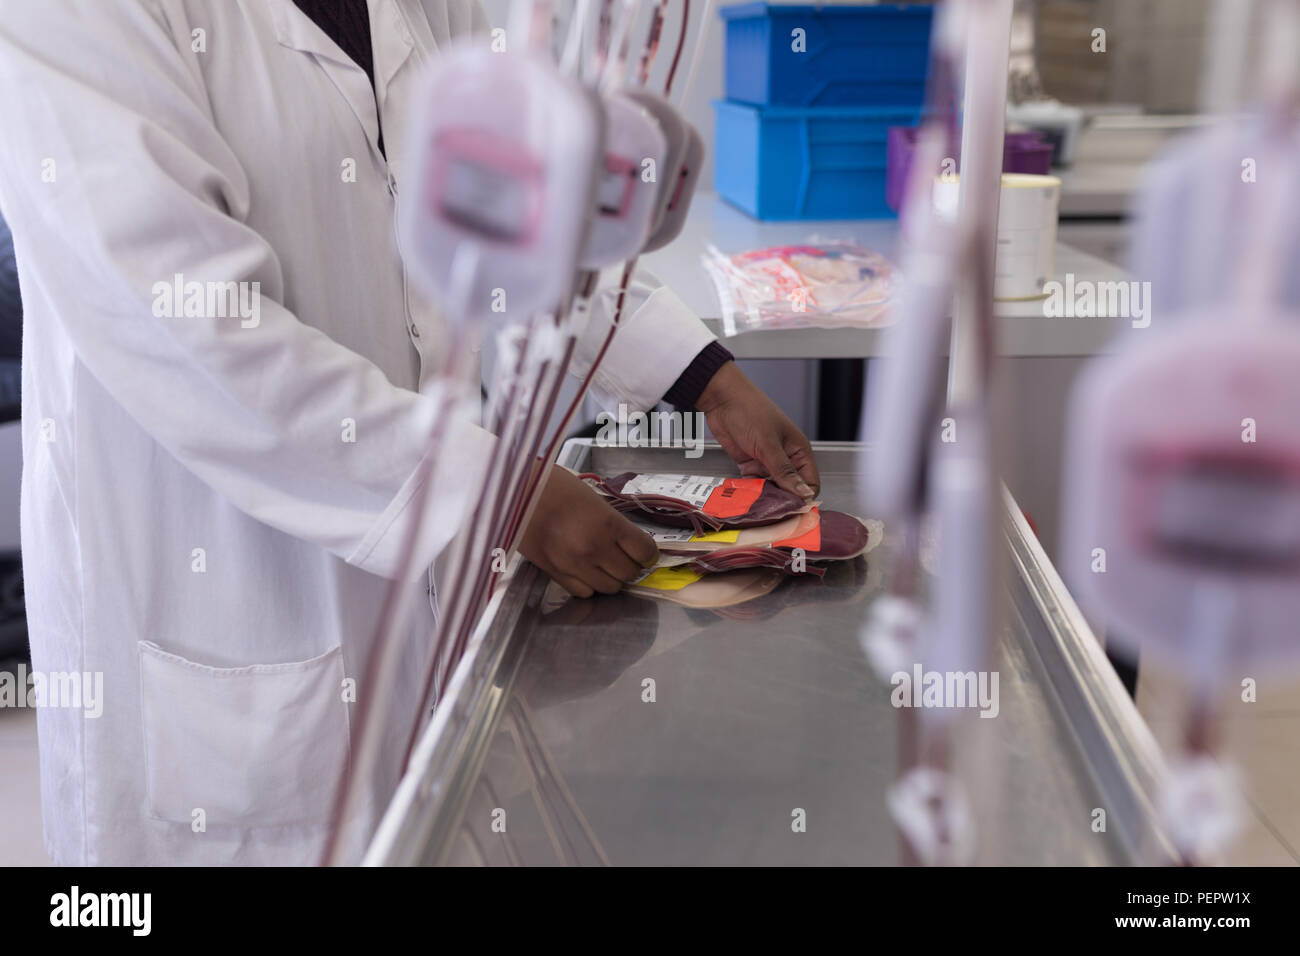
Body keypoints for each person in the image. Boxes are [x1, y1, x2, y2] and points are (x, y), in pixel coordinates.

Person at [0, 0, 819, 865]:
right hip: (224, 594)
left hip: (425, 589)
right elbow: (187, 325)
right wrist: (490, 491)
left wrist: (697, 374)